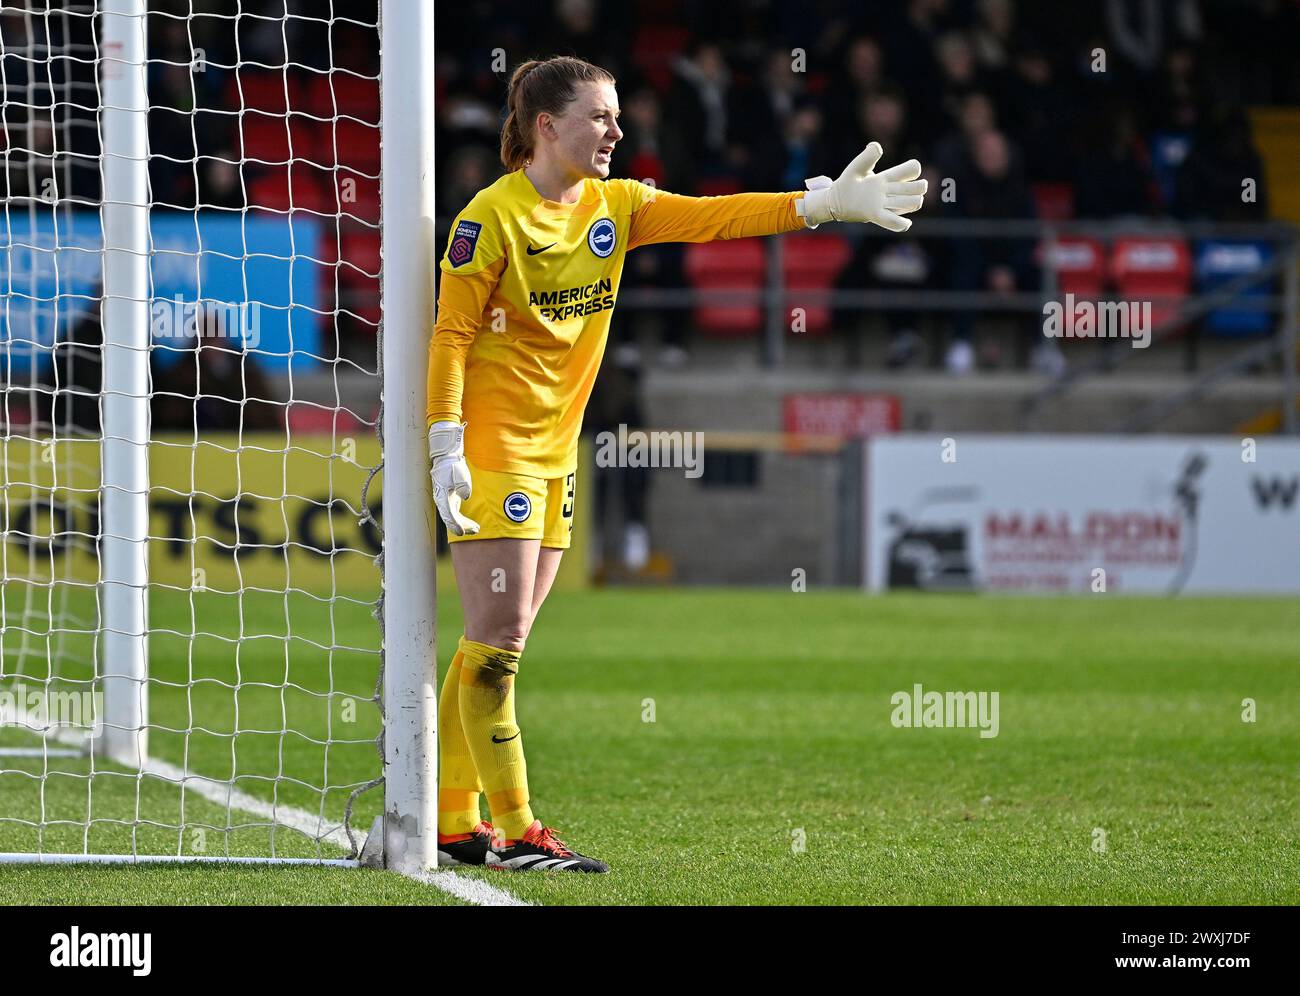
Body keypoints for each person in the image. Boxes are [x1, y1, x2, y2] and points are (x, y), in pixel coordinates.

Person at [427, 55, 927, 873]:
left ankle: (453, 818)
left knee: (493, 639)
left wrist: (823, 204)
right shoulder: (490, 221)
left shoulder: (615, 207)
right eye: (600, 117)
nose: (618, 132)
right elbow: (450, 336)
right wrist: (445, 444)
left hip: (559, 453)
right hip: (495, 450)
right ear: (547, 127)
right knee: (502, 640)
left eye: (618, 116)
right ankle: (517, 832)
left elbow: (716, 219)